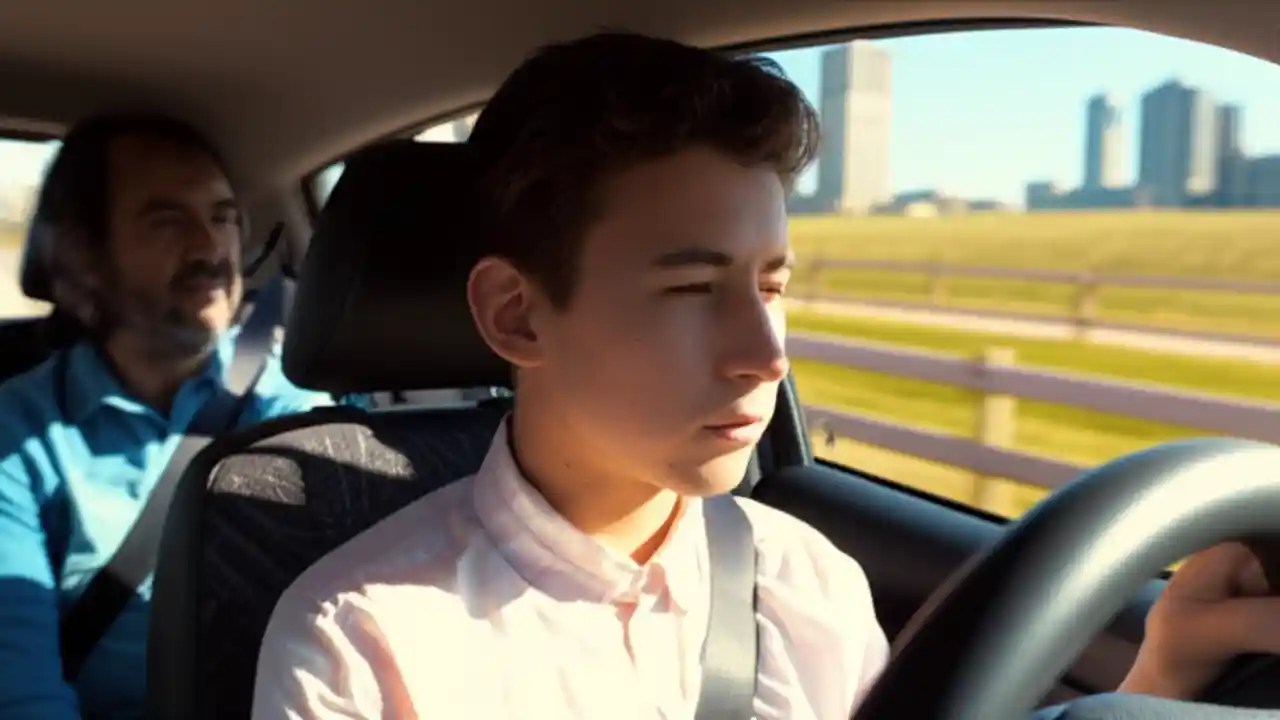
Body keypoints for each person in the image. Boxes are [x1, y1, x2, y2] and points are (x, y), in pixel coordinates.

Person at [252, 32, 1280, 720]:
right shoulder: (365, 639)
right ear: (517, 314)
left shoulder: (803, 582)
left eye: (771, 284)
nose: (764, 353)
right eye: (692, 289)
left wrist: (1152, 683)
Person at [0, 113, 337, 720]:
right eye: (167, 220)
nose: (210, 248)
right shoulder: (16, 437)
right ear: (84, 257)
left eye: (224, 218)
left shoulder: (298, 394)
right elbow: (23, 697)